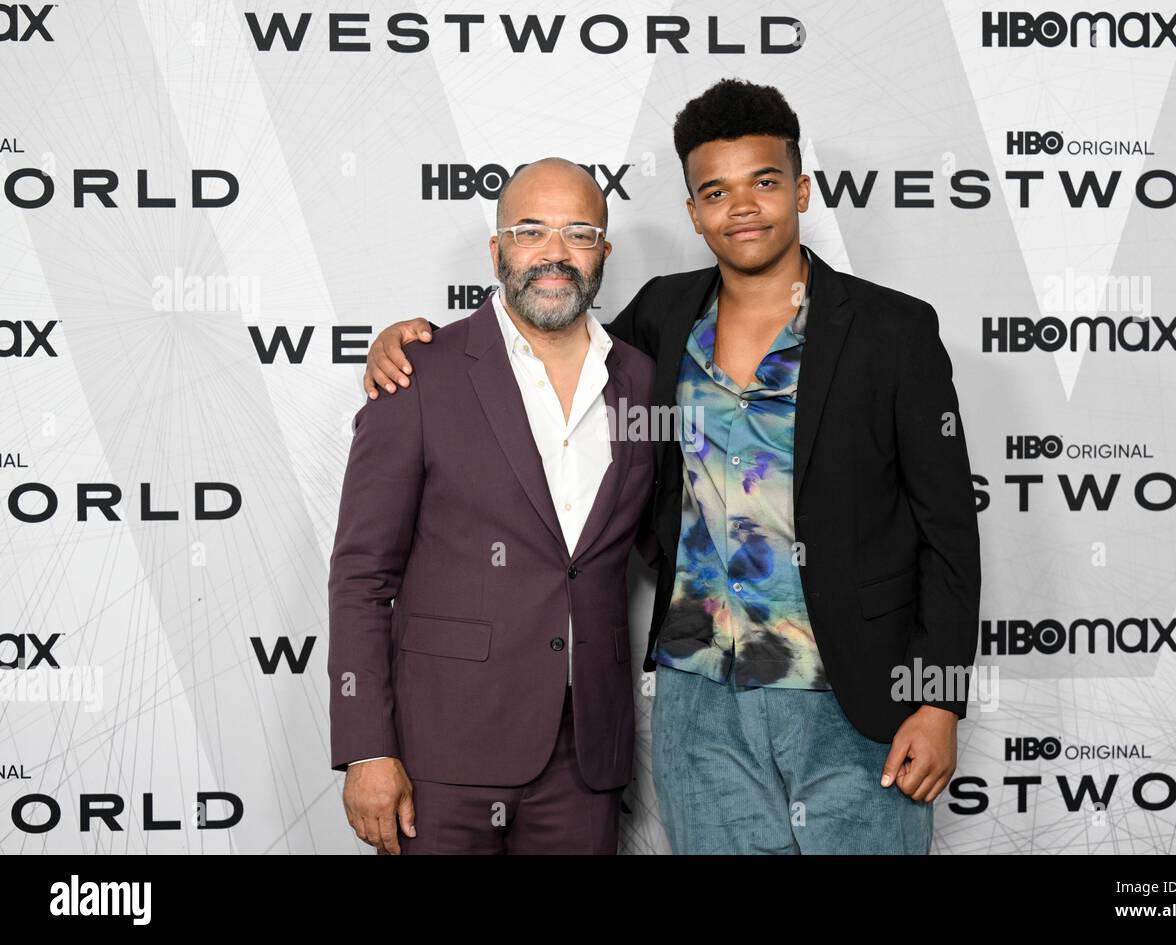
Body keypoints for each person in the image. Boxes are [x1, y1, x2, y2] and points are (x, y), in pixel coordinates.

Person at [362, 79, 981, 854]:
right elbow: (537, 342)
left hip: (851, 701)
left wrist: (939, 700)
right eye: (715, 192)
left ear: (803, 189)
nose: (742, 207)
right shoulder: (662, 315)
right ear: (693, 212)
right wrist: (411, 339)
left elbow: (949, 532)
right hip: (700, 701)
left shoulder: (894, 331)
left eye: (764, 182)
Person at [328, 157, 656, 854]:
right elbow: (362, 575)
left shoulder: (640, 380)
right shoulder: (420, 372)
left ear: (604, 251)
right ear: (497, 249)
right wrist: (366, 749)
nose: (554, 254)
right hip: (441, 758)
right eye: (530, 230)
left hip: (586, 759)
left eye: (578, 233)